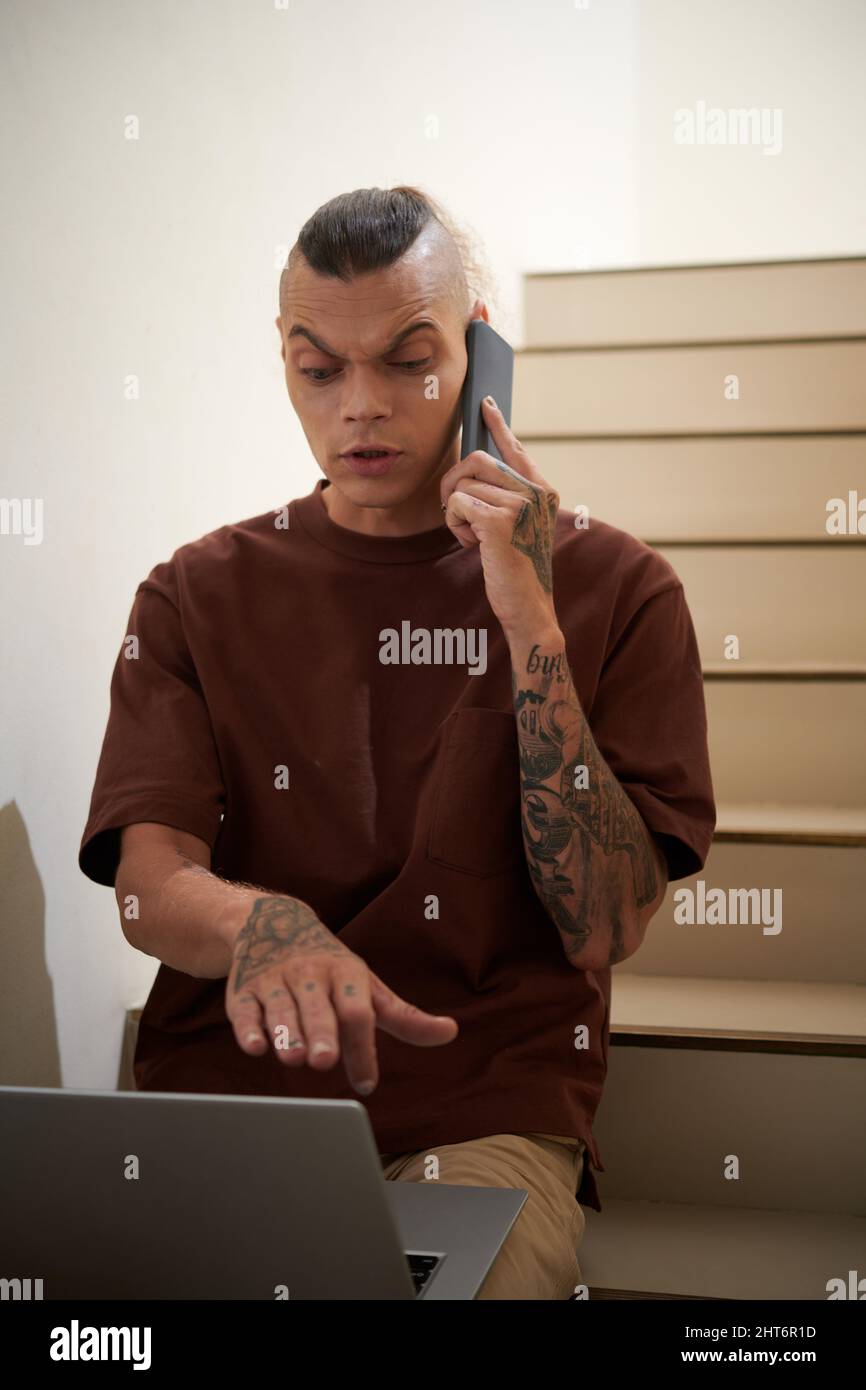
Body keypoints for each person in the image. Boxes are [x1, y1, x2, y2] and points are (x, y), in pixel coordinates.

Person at [79, 185, 716, 1299]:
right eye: (317, 368)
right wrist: (261, 919)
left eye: (406, 360)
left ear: (480, 356)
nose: (360, 406)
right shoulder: (193, 592)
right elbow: (148, 889)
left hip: (481, 1110)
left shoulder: (620, 588)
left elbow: (607, 920)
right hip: (232, 1100)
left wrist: (528, 624)